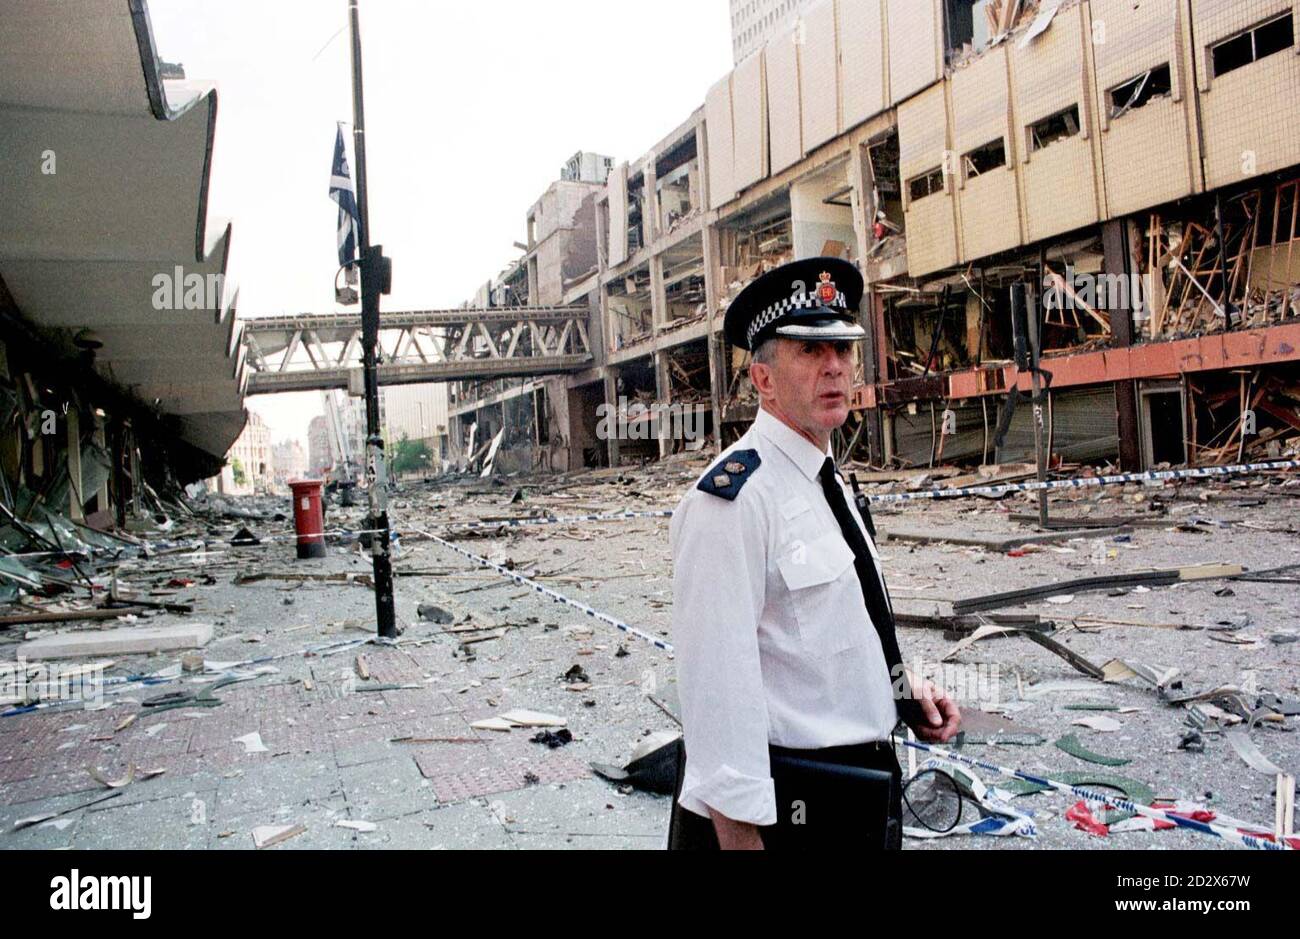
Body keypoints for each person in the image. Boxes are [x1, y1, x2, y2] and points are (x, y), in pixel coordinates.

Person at [667, 257, 961, 851]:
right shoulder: (734, 500)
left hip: (860, 794)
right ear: (763, 379)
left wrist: (905, 695)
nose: (834, 368)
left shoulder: (829, 482)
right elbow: (718, 694)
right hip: (787, 817)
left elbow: (853, 629)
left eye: (843, 350)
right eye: (807, 351)